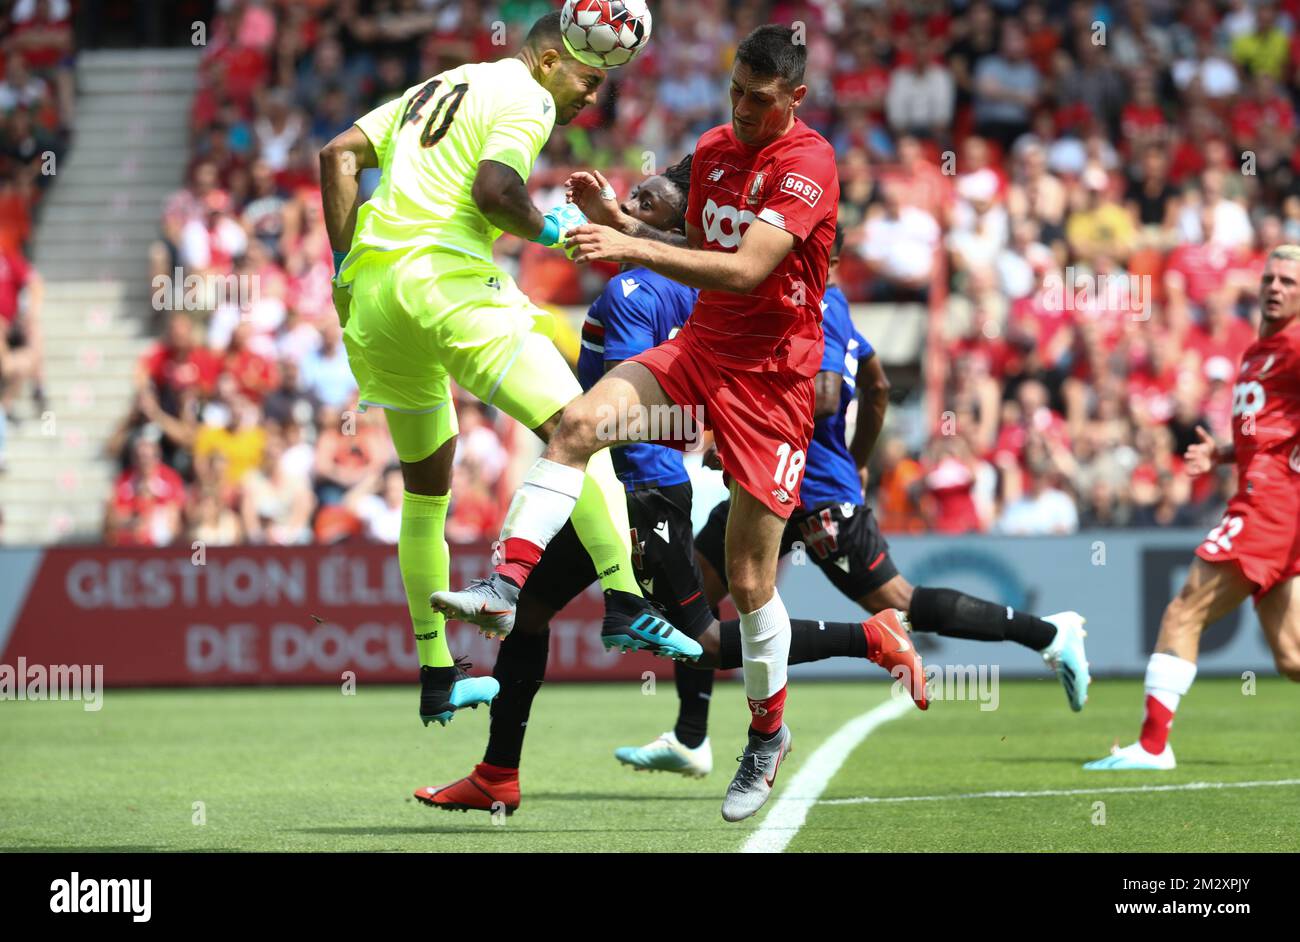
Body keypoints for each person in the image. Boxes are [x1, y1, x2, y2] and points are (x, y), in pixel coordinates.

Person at [416, 174, 923, 818]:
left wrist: (627, 476)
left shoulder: (632, 290)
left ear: (677, 230)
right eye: (631, 200)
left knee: (707, 645)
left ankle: (871, 639)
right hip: (615, 485)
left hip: (639, 492)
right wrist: (708, 429)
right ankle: (496, 774)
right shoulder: (702, 296)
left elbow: (625, 413)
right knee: (532, 614)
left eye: (645, 205)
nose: (627, 211)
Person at [438, 25, 844, 822]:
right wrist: (621, 217)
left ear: (794, 98)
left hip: (773, 386)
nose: (743, 110)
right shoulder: (716, 147)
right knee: (578, 423)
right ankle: (504, 584)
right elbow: (697, 239)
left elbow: (747, 268)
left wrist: (626, 240)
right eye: (735, 91)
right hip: (699, 352)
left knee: (752, 582)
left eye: (760, 101)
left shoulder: (808, 163)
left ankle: (767, 733)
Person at [319, 11, 699, 731]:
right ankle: (625, 600)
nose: (594, 95)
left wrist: (345, 267)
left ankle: (436, 674)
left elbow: (337, 155)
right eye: (590, 77)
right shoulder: (524, 96)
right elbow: (496, 194)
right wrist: (556, 229)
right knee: (578, 426)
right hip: (446, 280)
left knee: (426, 491)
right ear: (552, 59)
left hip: (372, 301)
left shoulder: (441, 84)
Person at [616, 225, 1089, 775]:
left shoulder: (825, 303)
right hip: (772, 484)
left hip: (814, 491)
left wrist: (755, 435)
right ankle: (692, 737)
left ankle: (1051, 634)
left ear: (828, 258)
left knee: (899, 602)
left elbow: (824, 396)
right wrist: (859, 455)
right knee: (693, 600)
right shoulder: (791, 300)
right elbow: (879, 384)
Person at [1086, 247, 1300, 770]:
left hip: (1268, 507)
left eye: (1289, 281)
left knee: (1184, 609)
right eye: (1270, 277)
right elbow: (1271, 431)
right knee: (1292, 657)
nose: (1275, 287)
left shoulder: (1295, 344)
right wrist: (1223, 452)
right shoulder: (1259, 349)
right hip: (1273, 505)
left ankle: (1154, 746)